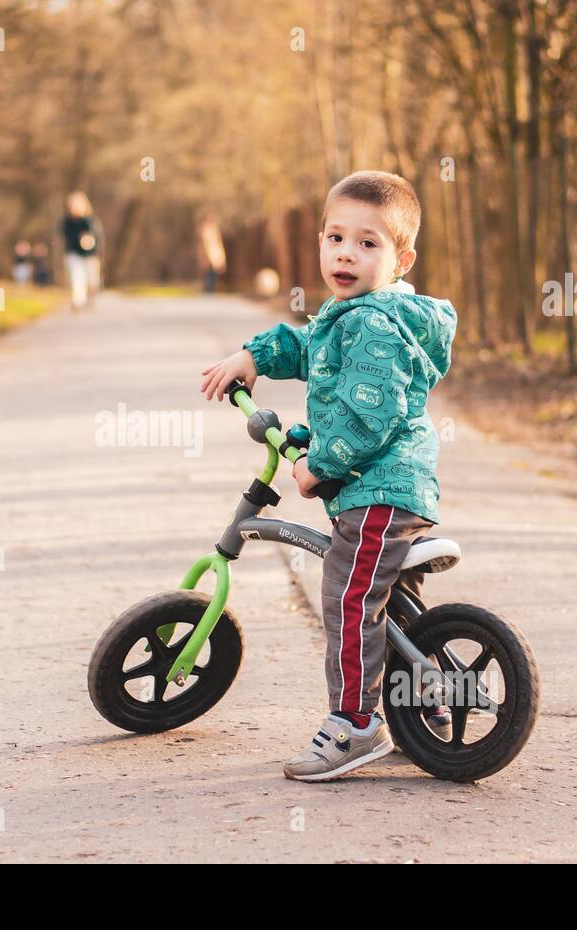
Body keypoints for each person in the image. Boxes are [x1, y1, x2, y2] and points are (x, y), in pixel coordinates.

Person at [199, 171, 458, 782]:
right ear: (320, 241)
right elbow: (308, 344)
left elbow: (374, 412)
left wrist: (319, 464)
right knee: (388, 604)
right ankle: (430, 708)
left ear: (402, 258)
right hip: (381, 490)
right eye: (336, 237)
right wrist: (254, 357)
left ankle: (355, 724)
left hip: (379, 491)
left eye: (369, 244)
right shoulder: (351, 313)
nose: (347, 253)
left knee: (348, 597)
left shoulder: (373, 324)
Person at [60, 191, 103, 309]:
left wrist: (91, 242)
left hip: (90, 255)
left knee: (92, 280)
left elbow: (98, 236)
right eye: (72, 205)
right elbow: (66, 237)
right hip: (74, 253)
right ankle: (78, 301)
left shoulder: (90, 220)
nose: (74, 207)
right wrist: (79, 239)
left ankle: (91, 297)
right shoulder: (67, 222)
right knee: (77, 277)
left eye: (76, 205)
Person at [197, 212, 227, 293]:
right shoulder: (205, 230)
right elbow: (205, 244)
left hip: (214, 254)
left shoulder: (214, 230)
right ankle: (208, 289)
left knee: (213, 272)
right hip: (209, 254)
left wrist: (221, 257)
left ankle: (210, 288)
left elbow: (218, 244)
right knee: (208, 272)